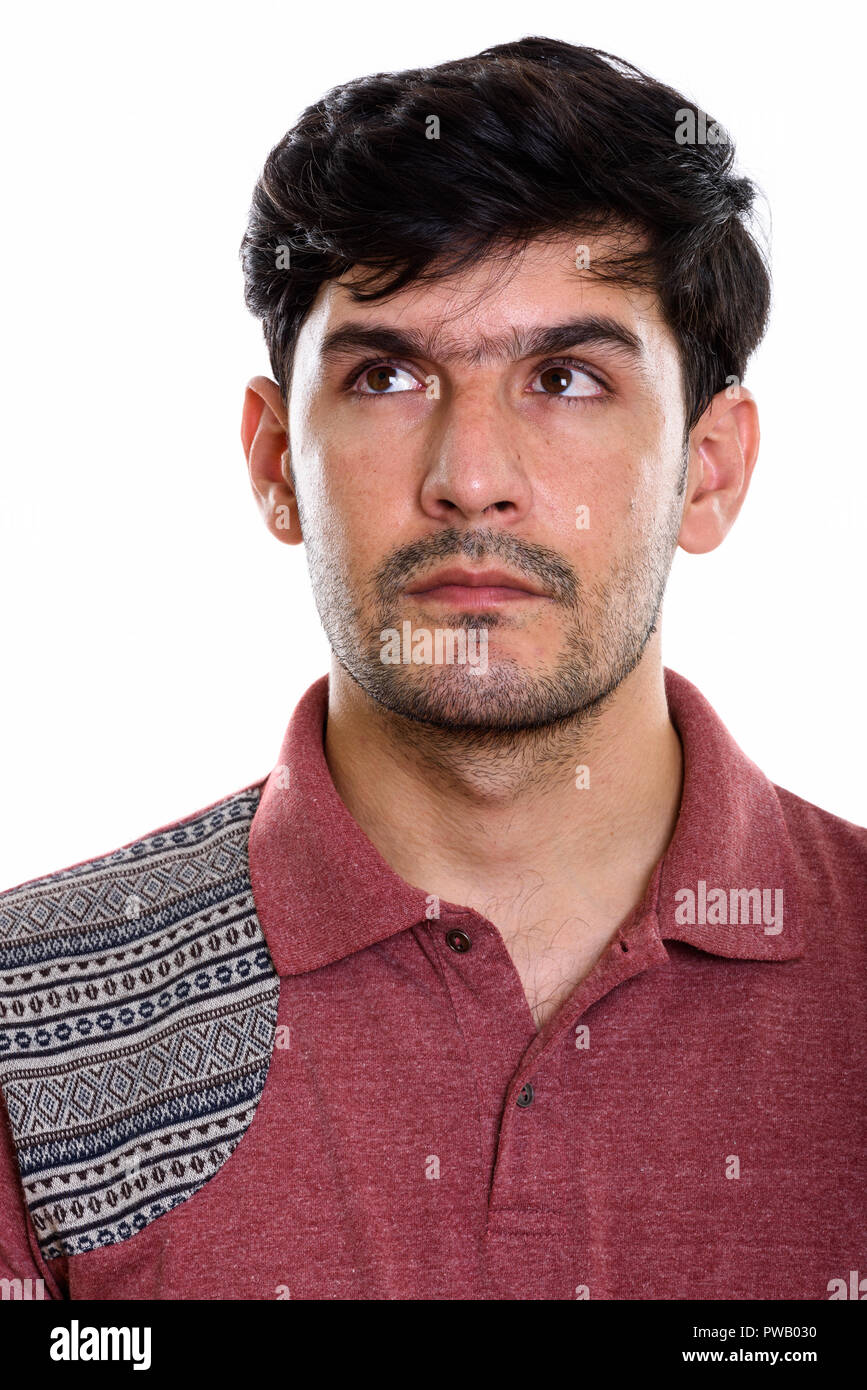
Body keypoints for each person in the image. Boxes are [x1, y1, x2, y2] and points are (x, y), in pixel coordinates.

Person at [1, 36, 864, 1302]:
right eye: (387, 374)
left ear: (712, 468)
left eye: (566, 379)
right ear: (274, 462)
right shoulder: (28, 1020)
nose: (471, 474)